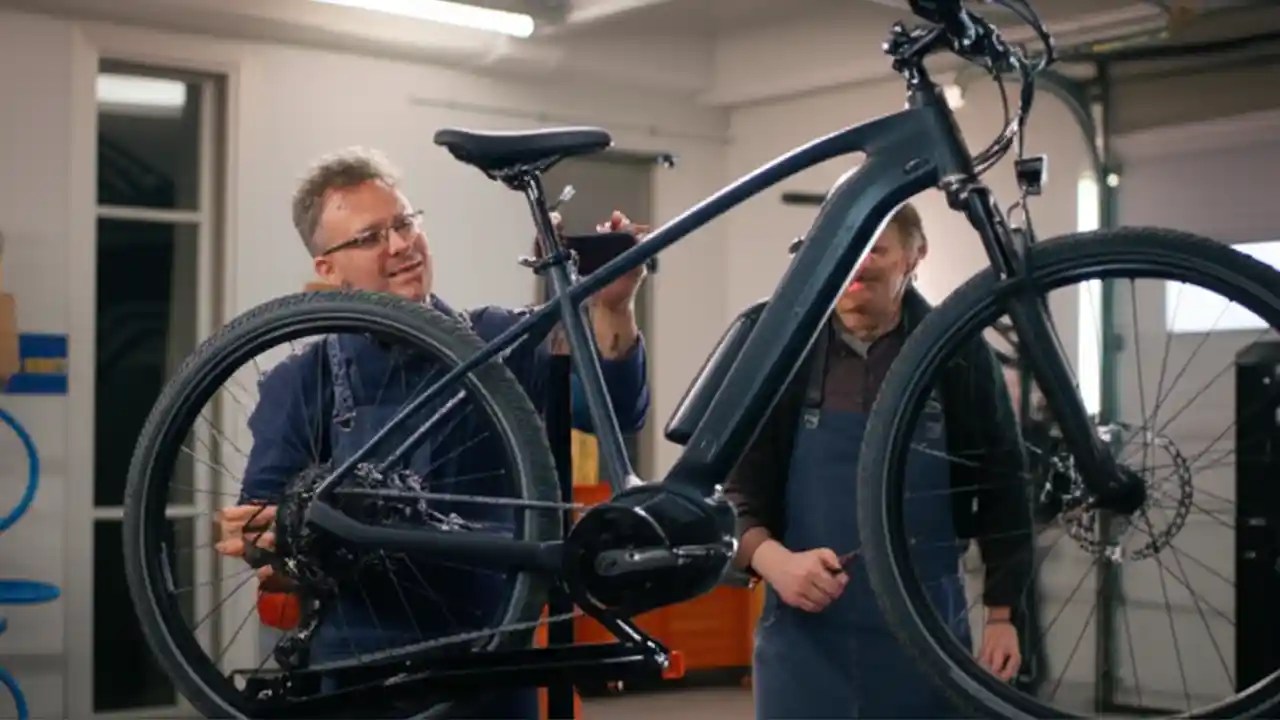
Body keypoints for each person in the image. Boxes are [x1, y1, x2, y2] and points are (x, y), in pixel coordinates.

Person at [213, 147, 650, 718]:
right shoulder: (303, 379)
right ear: (328, 269)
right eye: (370, 238)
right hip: (358, 669)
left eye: (404, 223)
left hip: (494, 655)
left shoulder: (498, 341)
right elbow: (264, 527)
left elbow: (613, 410)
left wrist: (613, 309)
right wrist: (260, 537)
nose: (399, 246)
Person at [725, 202, 1033, 719]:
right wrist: (773, 561)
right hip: (804, 644)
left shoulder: (957, 353)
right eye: (846, 249)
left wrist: (1004, 615)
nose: (857, 264)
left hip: (928, 644)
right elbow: (733, 491)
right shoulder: (785, 350)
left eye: (876, 250)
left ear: (916, 255)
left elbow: (1003, 485)